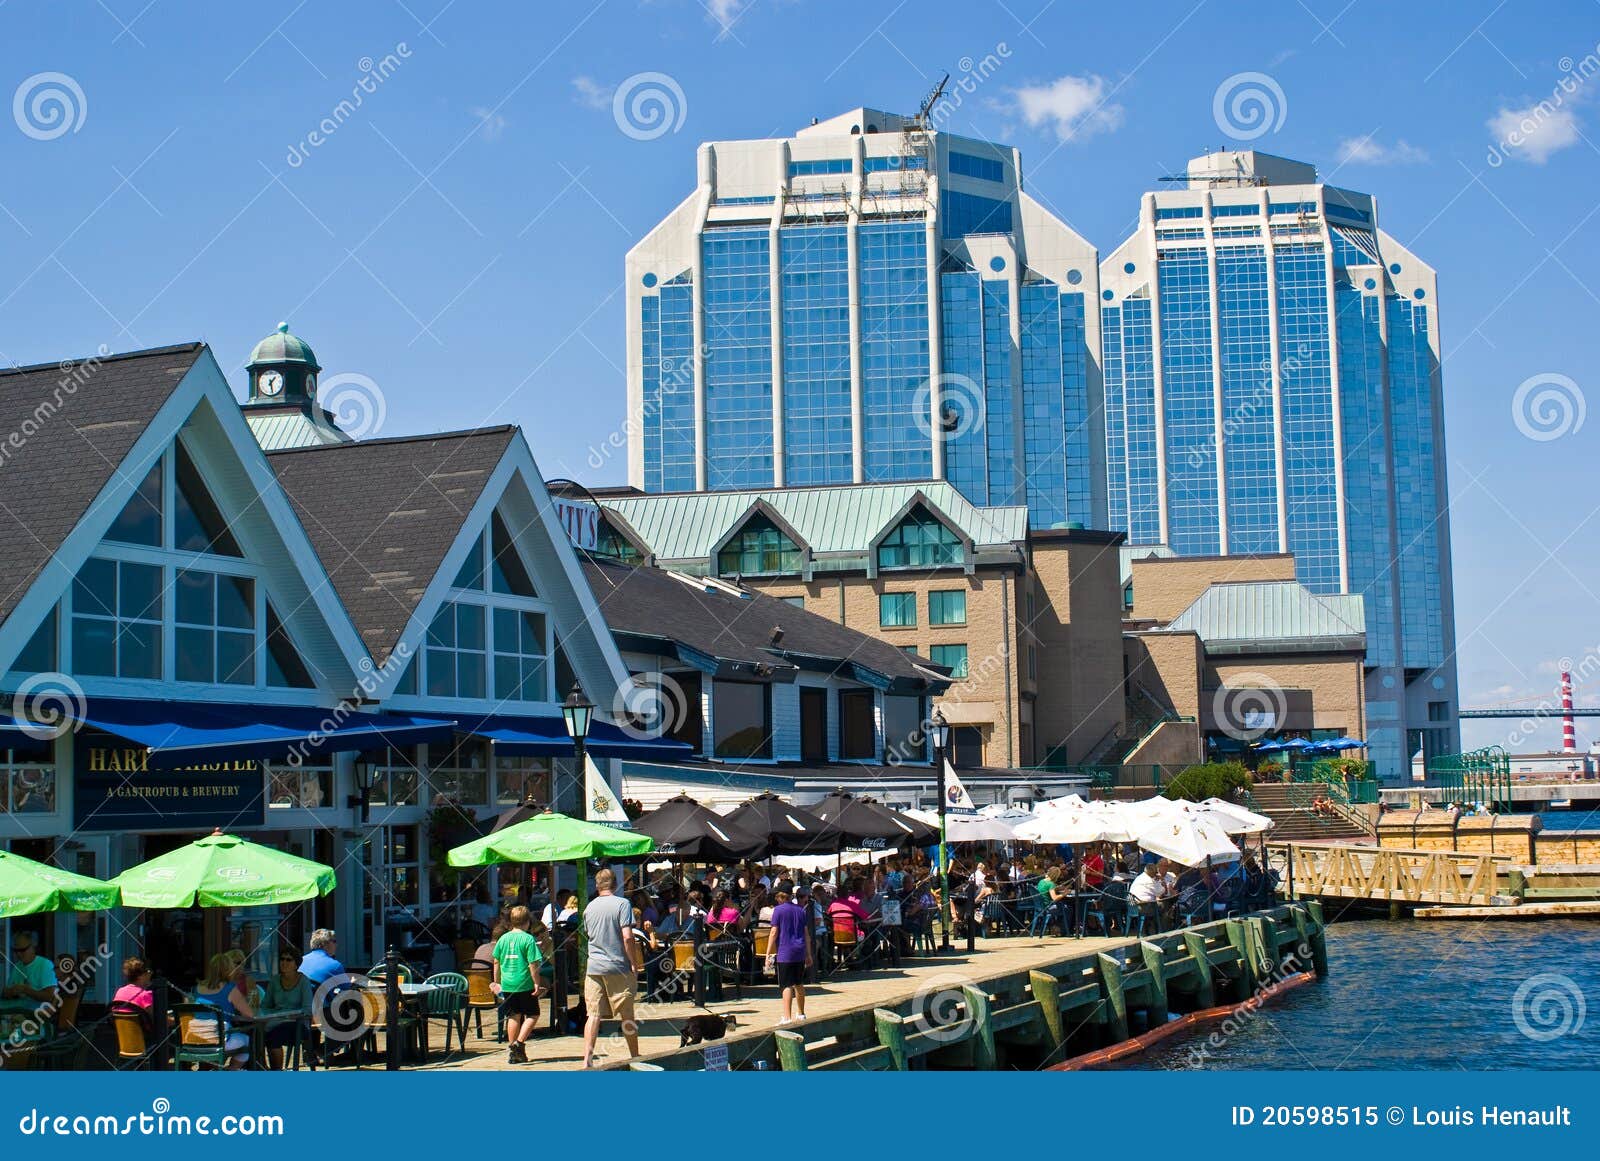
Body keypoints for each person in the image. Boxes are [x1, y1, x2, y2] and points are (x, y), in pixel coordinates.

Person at [581, 868, 643, 1070]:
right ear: (615, 884)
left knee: (593, 1015)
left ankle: (587, 1059)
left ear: (597, 885)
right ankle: (635, 1055)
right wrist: (633, 962)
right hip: (617, 966)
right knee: (627, 1015)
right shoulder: (622, 904)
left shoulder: (589, 908)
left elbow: (589, 935)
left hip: (594, 967)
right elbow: (627, 936)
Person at [492, 905, 545, 1065]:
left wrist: (497, 981)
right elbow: (533, 964)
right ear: (527, 922)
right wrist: (537, 982)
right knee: (533, 1014)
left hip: (508, 983)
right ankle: (519, 1043)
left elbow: (496, 961)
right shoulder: (528, 939)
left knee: (513, 1016)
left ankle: (512, 1050)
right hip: (524, 983)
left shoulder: (503, 938)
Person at [192, 952, 254, 1068]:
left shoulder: (197, 988)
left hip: (195, 1040)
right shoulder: (230, 989)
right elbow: (249, 1014)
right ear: (228, 970)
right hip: (217, 1041)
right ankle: (231, 1071)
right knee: (246, 1039)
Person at [765, 884, 813, 1025]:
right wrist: (808, 954)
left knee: (786, 985)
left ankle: (786, 1017)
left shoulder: (778, 911)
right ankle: (801, 1013)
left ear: (780, 897)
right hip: (799, 950)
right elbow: (806, 934)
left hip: (785, 951)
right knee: (798, 983)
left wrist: (768, 954)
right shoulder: (800, 910)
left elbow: (774, 933)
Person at [262, 949, 311, 1070]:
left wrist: (289, 1016)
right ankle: (260, 1067)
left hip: (297, 1023)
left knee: (273, 1036)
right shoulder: (274, 980)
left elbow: (307, 1010)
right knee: (254, 1035)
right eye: (282, 959)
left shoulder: (303, 981)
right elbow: (265, 1005)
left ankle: (277, 1071)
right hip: (275, 1020)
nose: (284, 962)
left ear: (296, 964)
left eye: (289, 959)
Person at [2, 932, 57, 1012]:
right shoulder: (18, 965)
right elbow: (6, 991)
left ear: (33, 947)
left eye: (22, 950)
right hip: (17, 1012)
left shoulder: (45, 965)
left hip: (35, 1015)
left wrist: (26, 990)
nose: (18, 954)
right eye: (16, 950)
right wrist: (8, 992)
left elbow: (49, 997)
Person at [112, 957, 154, 1031]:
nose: (151, 973)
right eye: (148, 971)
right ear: (140, 976)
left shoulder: (120, 991)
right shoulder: (145, 995)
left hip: (123, 1038)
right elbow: (159, 1020)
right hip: (145, 1039)